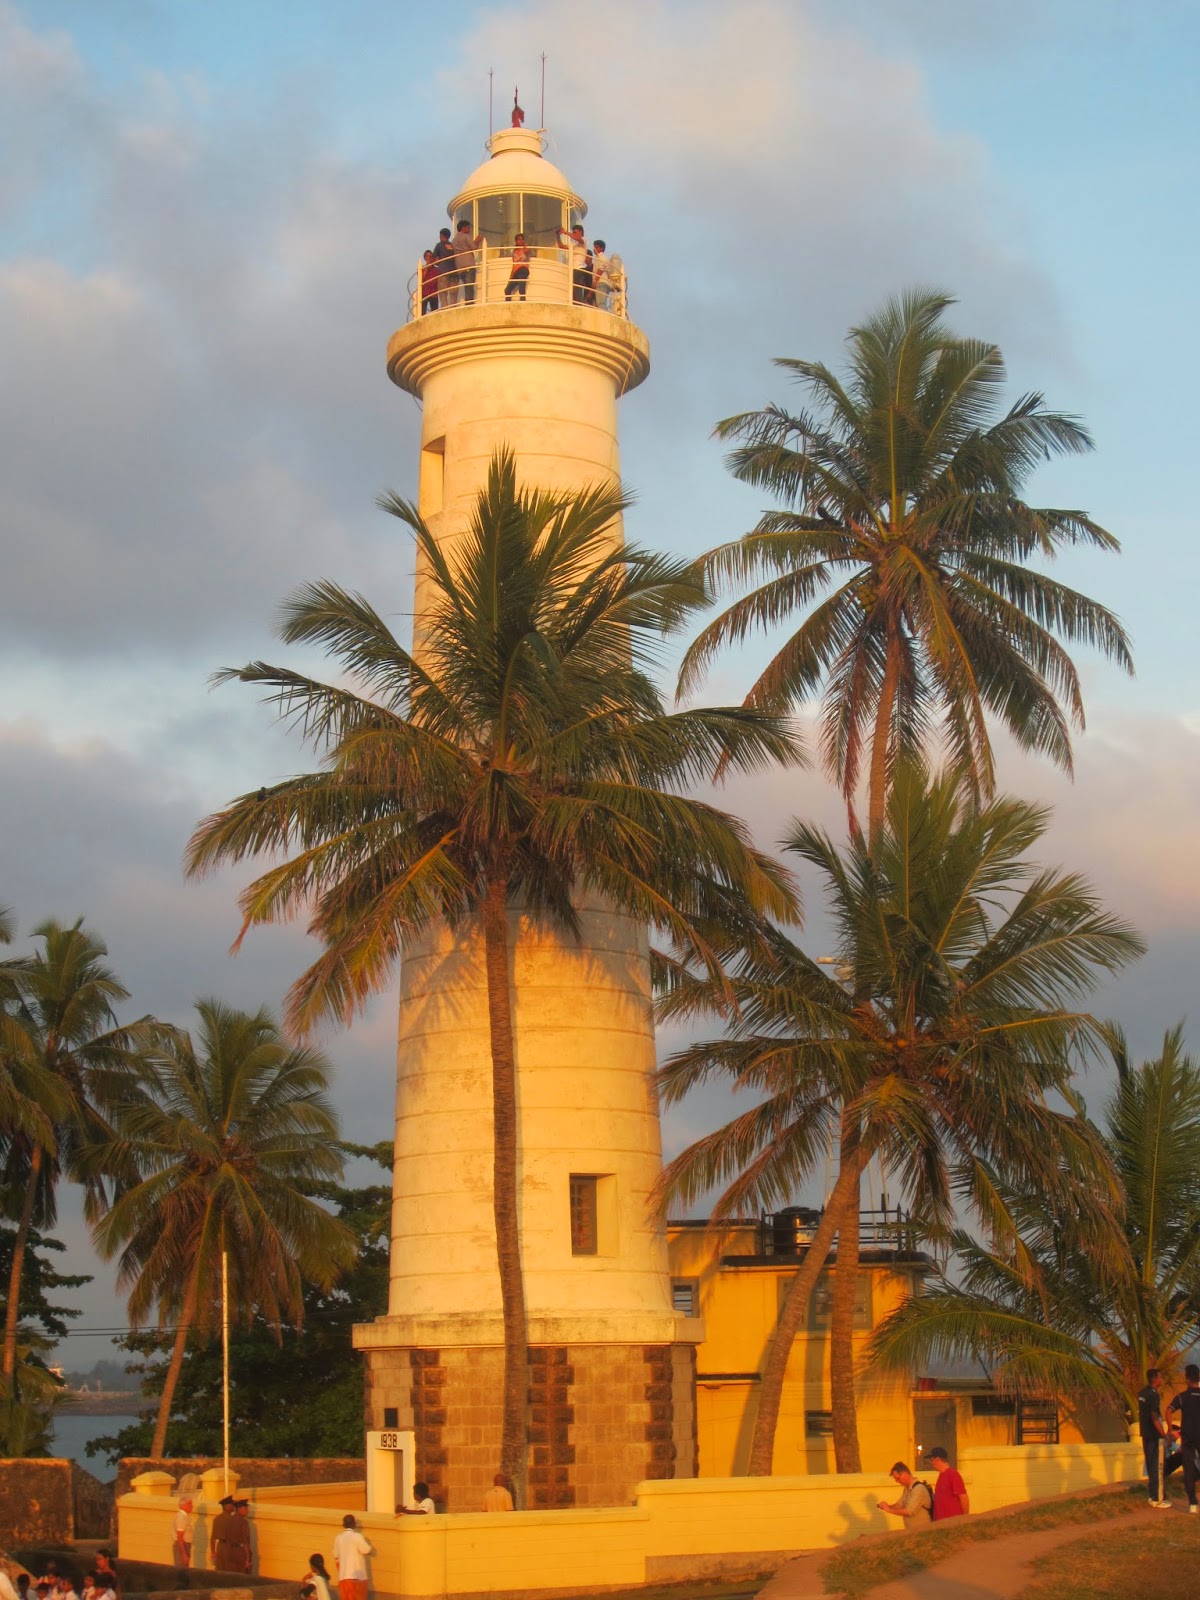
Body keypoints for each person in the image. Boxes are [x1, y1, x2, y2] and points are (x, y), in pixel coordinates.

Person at [1168, 1361, 1200, 1513]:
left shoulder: (1182, 1397)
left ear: (1187, 1379)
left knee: (1188, 1470)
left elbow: (1168, 1410)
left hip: (1187, 1439)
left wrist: (1169, 1430)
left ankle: (1192, 1503)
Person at [1138, 1366, 1172, 1507]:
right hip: (1154, 1435)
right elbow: (1154, 1417)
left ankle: (1153, 1495)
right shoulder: (1153, 1394)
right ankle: (1158, 1498)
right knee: (1157, 1466)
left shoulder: (1142, 1392)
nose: (1161, 1379)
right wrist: (1164, 1435)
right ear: (1155, 1379)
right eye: (1160, 1377)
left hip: (1145, 1434)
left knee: (1151, 1464)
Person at [877, 1461, 933, 1531]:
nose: (897, 1481)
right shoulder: (907, 1488)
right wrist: (887, 1506)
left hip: (923, 1531)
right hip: (912, 1532)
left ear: (904, 1473)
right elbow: (900, 1504)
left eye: (898, 1478)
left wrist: (889, 1509)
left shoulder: (918, 1489)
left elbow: (909, 1511)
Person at [332, 1513, 372, 1600]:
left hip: (344, 1577)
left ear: (344, 1525)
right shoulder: (358, 1536)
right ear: (354, 1524)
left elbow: (336, 1556)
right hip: (359, 1577)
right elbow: (366, 1550)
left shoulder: (338, 1538)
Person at [926, 1447, 968, 1519]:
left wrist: (965, 1517)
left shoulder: (952, 1474)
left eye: (931, 1460)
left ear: (937, 1459)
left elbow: (963, 1497)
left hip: (952, 1520)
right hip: (942, 1521)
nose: (931, 1463)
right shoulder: (942, 1475)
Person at [450, 219, 483, 305]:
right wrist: (478, 241)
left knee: (466, 285)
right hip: (468, 264)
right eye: (468, 227)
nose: (470, 230)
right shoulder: (466, 236)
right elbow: (473, 247)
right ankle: (469, 303)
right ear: (463, 228)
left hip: (460, 266)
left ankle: (467, 301)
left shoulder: (453, 240)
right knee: (469, 285)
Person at [556, 223, 590, 304]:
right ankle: (574, 303)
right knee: (572, 288)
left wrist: (565, 232)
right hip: (572, 269)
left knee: (577, 288)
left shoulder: (584, 241)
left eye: (575, 232)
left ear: (581, 232)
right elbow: (561, 246)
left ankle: (578, 304)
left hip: (579, 268)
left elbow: (578, 238)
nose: (573, 234)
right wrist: (557, 235)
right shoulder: (574, 245)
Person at [210, 1495, 242, 1571]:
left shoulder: (217, 1519)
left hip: (220, 1547)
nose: (233, 1507)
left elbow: (213, 1538)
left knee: (220, 1569)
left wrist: (213, 1552)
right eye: (232, 1505)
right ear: (227, 1506)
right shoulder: (233, 1520)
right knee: (231, 1570)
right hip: (230, 1547)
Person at [431, 227, 455, 306]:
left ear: (441, 235)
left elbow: (432, 257)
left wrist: (436, 262)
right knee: (453, 293)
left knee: (443, 293)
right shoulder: (453, 246)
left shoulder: (439, 245)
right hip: (454, 272)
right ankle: (453, 307)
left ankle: (445, 308)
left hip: (443, 272)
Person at [504, 234, 531, 301]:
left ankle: (522, 302)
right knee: (507, 290)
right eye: (519, 239)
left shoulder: (525, 249)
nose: (520, 241)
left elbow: (527, 251)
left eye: (522, 239)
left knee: (521, 288)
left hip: (523, 269)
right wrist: (511, 277)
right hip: (516, 270)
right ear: (516, 241)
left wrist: (524, 244)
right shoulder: (515, 251)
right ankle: (508, 305)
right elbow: (514, 265)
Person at [172, 1495, 195, 1568]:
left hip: (185, 1545)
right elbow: (180, 1537)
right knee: (181, 1569)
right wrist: (184, 1554)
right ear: (183, 1505)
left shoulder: (185, 1516)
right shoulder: (181, 1517)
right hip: (182, 1546)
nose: (192, 1506)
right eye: (189, 1504)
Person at [591, 240, 613, 310]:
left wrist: (595, 281)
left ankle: (604, 316)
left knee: (601, 303)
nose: (594, 249)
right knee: (600, 302)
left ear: (602, 248)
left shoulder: (602, 257)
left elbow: (600, 269)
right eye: (594, 247)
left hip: (601, 282)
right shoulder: (598, 257)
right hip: (603, 282)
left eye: (596, 247)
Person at [420, 250, 439, 315]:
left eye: (431, 256)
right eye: (428, 256)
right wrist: (427, 266)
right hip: (425, 293)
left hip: (434, 293)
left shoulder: (437, 269)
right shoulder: (422, 269)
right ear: (425, 258)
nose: (430, 258)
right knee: (422, 312)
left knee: (435, 312)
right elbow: (421, 278)